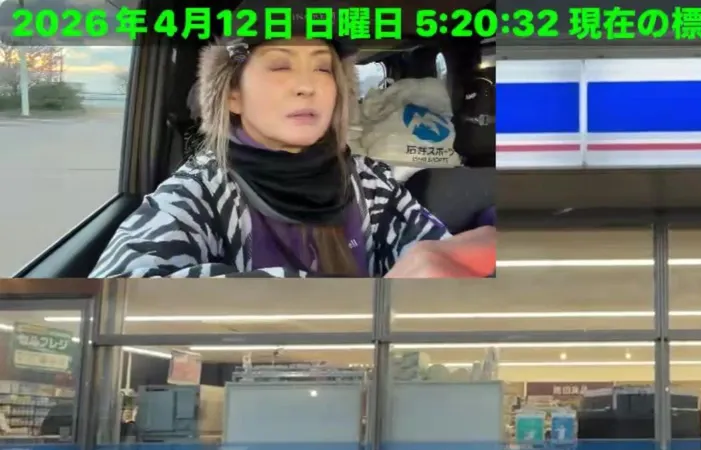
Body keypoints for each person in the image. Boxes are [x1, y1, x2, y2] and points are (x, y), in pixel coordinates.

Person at [90, 0, 496, 279]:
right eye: (280, 66)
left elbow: (435, 247)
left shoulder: (369, 182)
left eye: (322, 69)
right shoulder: (197, 193)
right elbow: (123, 286)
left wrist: (477, 246)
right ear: (232, 95)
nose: (308, 86)